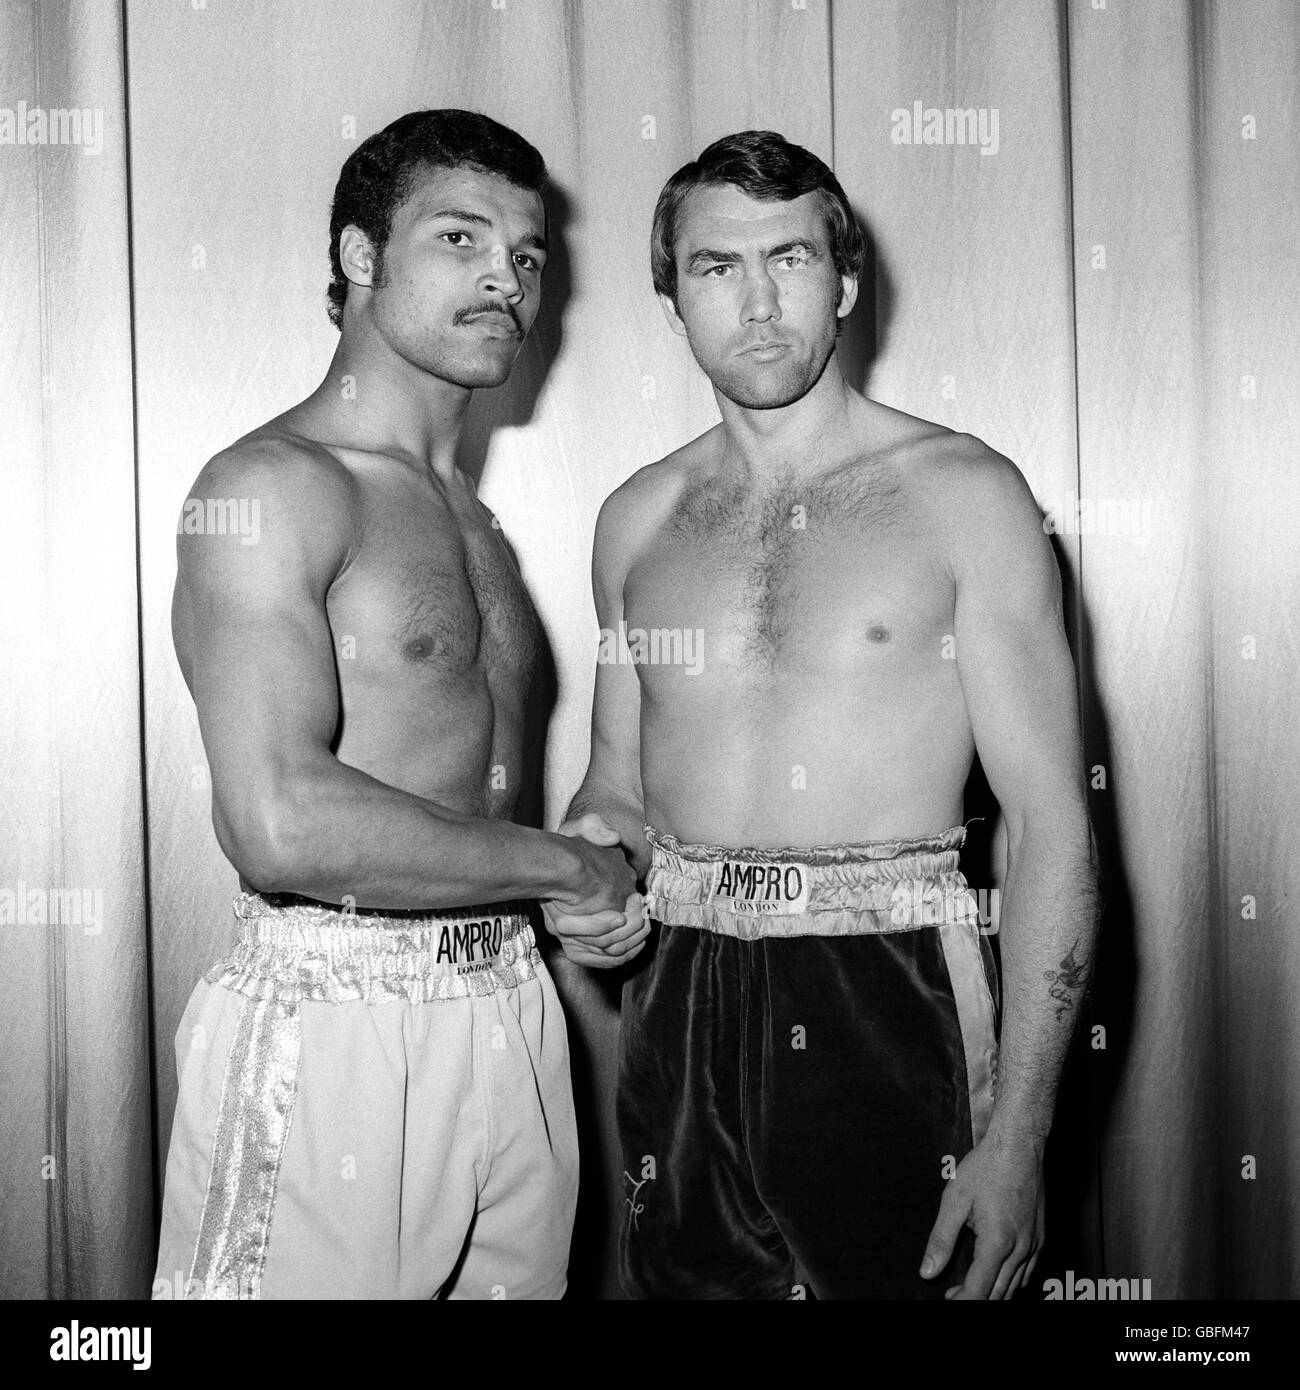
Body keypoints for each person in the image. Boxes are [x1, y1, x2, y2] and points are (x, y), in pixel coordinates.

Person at [544, 130, 1099, 1300]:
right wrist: (587, 868)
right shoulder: (634, 521)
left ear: (843, 281)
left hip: (888, 987)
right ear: (671, 301)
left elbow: (1052, 827)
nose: (755, 301)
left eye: (789, 259)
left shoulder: (966, 496)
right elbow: (617, 788)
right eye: (714, 268)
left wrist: (1019, 1135)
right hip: (682, 996)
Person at [154, 109, 636, 1301]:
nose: (504, 280)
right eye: (459, 239)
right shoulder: (271, 486)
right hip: (330, 1022)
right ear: (361, 258)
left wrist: (576, 858)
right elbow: (281, 820)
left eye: (526, 256)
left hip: (511, 1008)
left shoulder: (476, 524)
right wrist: (562, 871)